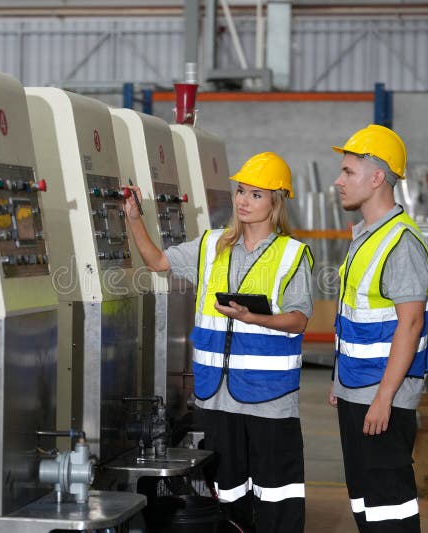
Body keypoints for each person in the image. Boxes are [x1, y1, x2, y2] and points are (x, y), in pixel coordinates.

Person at [124, 151, 313, 533]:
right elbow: (158, 262)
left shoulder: (292, 254)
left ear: (276, 202)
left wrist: (254, 317)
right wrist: (133, 218)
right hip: (216, 398)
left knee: (277, 497)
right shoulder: (211, 246)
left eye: (256, 195)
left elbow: (299, 319)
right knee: (226, 494)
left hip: (269, 398)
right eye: (241, 191)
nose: (244, 200)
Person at [327, 125, 428, 533]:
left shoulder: (400, 242)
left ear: (377, 178)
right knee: (366, 505)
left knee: (389, 510)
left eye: (348, 172)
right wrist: (340, 381)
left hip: (381, 396)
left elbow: (410, 323)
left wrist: (384, 398)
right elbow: (357, 318)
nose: (338, 181)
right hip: (357, 389)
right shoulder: (366, 236)